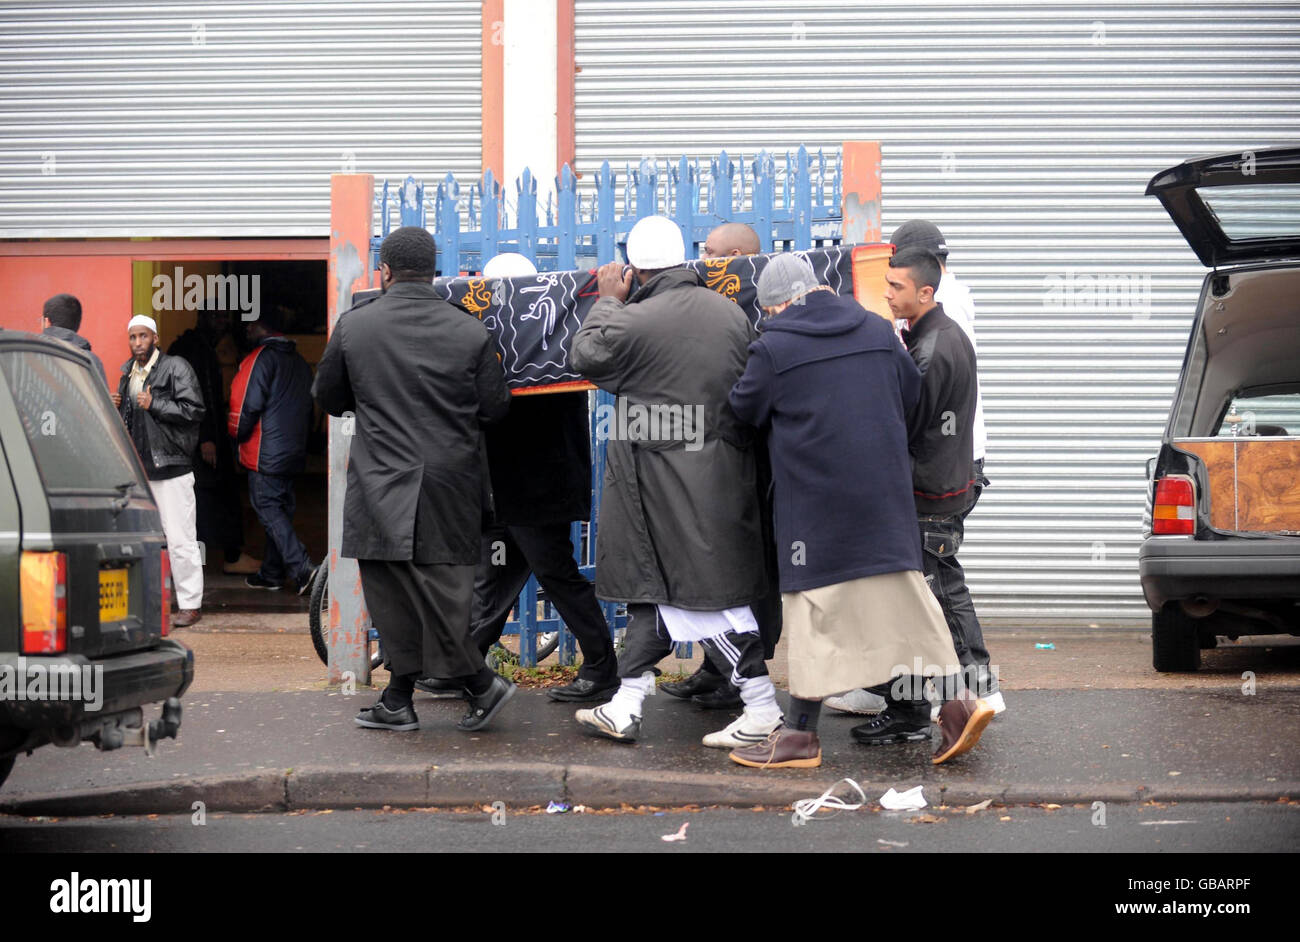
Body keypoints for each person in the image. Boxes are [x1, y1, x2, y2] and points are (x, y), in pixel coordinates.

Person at [727, 254, 993, 769]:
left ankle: (800, 737)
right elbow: (911, 398)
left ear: (779, 304)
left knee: (814, 616)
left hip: (816, 514)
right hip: (885, 505)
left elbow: (743, 411)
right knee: (908, 609)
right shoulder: (876, 330)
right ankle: (958, 704)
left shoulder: (773, 346)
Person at [568, 215, 782, 750]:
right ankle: (626, 702)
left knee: (700, 597)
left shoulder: (634, 318)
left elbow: (586, 355)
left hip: (661, 480)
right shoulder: (730, 313)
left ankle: (762, 707)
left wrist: (610, 300)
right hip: (720, 470)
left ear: (635, 268)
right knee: (660, 590)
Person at [313, 226, 515, 733]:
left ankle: (480, 683)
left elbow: (329, 397)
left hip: (382, 480)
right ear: (433, 272)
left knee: (394, 595)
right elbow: (494, 410)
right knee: (440, 592)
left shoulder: (355, 327)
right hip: (452, 482)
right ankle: (399, 698)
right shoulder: (469, 329)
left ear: (384, 271)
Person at [418, 252, 619, 703]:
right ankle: (464, 664)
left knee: (556, 574)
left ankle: (602, 667)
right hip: (514, 485)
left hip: (536, 484)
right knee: (501, 574)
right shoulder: (546, 338)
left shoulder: (534, 343)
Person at [826, 220, 1003, 716]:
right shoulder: (929, 325)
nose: (886, 292)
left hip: (939, 477)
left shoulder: (942, 332)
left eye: (894, 283)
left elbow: (915, 415)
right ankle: (893, 694)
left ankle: (979, 689)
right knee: (909, 588)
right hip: (940, 468)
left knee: (939, 582)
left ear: (925, 282)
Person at [661, 220, 781, 711]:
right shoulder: (717, 305)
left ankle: (744, 674)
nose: (699, 259)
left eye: (707, 252)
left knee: (753, 568)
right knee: (722, 563)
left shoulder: (762, 305)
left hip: (760, 457)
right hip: (722, 454)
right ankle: (717, 669)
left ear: (732, 256)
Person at [112, 314, 206, 627]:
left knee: (181, 541)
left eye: (143, 336)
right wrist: (116, 406)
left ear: (155, 338)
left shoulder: (176, 367)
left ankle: (190, 605)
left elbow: (194, 411)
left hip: (172, 469)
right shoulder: (127, 373)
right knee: (142, 540)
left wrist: (155, 404)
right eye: (132, 337)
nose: (137, 342)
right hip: (139, 472)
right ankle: (147, 603)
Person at [228, 310, 317, 594]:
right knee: (280, 512)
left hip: (265, 452)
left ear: (258, 326)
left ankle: (303, 569)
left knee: (269, 511)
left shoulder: (259, 359)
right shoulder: (300, 363)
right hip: (293, 452)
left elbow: (243, 410)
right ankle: (272, 573)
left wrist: (233, 437)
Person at [169, 304, 261, 577]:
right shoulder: (195, 350)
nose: (222, 323)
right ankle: (225, 557)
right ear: (202, 318)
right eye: (216, 317)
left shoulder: (193, 346)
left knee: (203, 499)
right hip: (199, 438)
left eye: (224, 317)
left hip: (193, 437)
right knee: (210, 497)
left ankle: (210, 558)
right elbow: (199, 396)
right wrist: (207, 438)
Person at [41, 294, 107, 387]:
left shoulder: (30, 354)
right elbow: (100, 400)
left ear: (47, 322)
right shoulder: (91, 361)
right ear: (77, 324)